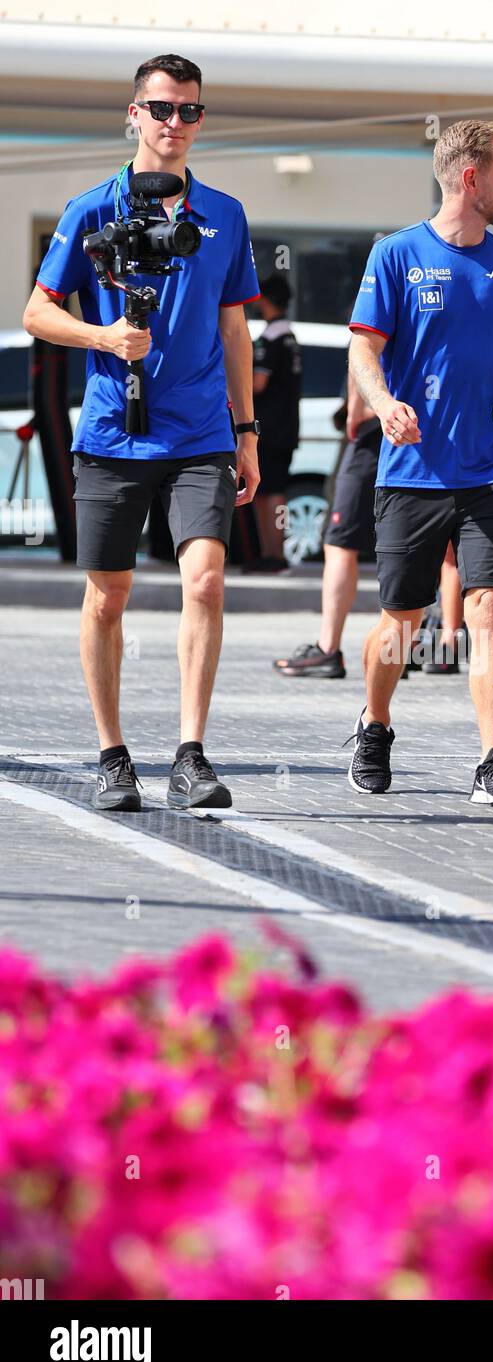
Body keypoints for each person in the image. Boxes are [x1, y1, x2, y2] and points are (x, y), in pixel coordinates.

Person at [22, 52, 260, 812]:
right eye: (161, 109)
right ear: (134, 115)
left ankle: (191, 754)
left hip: (200, 435)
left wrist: (247, 431)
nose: (175, 123)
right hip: (113, 434)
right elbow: (36, 312)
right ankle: (112, 754)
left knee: (207, 580)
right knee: (107, 598)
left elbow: (234, 331)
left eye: (190, 111)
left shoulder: (224, 213)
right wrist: (103, 338)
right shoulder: (91, 208)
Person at [346, 119, 493, 805]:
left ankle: (492, 759)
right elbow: (363, 350)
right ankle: (374, 726)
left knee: (487, 608)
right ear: (471, 177)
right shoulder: (395, 256)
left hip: (490, 470)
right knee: (403, 619)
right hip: (410, 473)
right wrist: (380, 400)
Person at [271, 378, 466, 678]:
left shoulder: (378, 330)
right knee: (437, 539)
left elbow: (361, 360)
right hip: (431, 427)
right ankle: (441, 647)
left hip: (379, 424)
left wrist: (354, 411)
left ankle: (331, 648)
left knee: (340, 541)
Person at [249, 272, 302, 572]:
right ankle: (270, 552)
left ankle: (273, 554)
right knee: (270, 488)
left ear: (265, 299)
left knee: (269, 490)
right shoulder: (291, 336)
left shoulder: (271, 338)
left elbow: (258, 383)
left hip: (268, 427)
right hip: (286, 425)